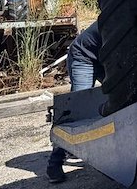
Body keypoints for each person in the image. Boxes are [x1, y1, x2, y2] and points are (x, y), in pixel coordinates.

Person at [47, 21, 103, 184]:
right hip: (83, 56)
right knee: (77, 111)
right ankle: (54, 163)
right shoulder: (120, 15)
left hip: (103, 57)